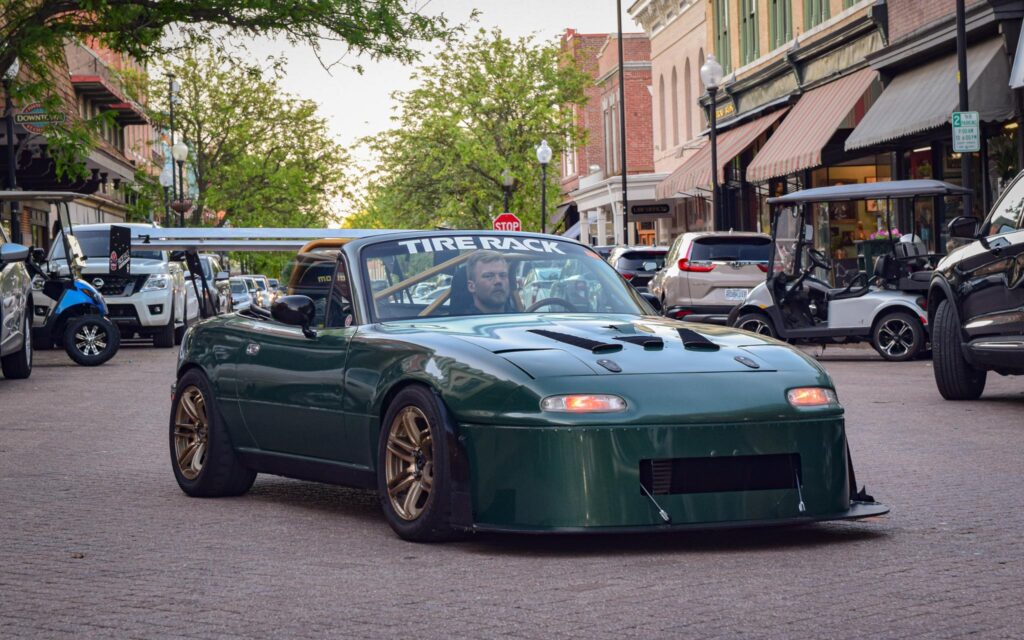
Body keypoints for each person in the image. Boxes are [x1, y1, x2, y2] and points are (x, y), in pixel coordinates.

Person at [465, 250, 514, 314]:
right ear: (471, 286)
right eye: (488, 276)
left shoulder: (522, 318)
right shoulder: (460, 320)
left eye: (503, 275)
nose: (498, 281)